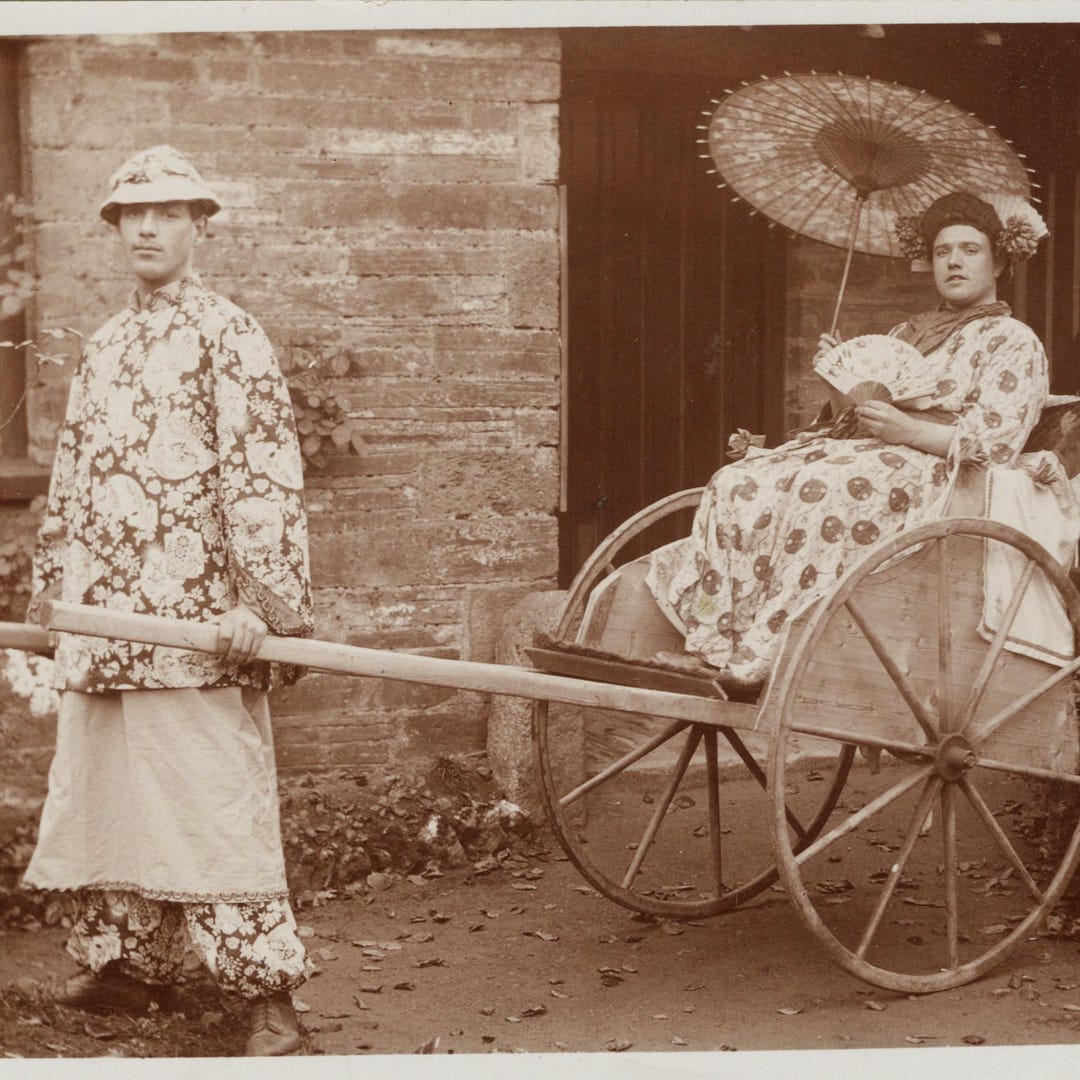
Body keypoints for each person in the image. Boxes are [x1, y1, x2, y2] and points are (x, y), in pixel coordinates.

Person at [21, 145, 315, 1057]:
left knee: (211, 805)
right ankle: (129, 969)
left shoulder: (231, 336)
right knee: (109, 799)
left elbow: (263, 474)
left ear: (198, 225)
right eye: (131, 214)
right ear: (115, 228)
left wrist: (263, 610)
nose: (146, 227)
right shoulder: (104, 346)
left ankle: (268, 998)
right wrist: (54, 590)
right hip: (106, 624)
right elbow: (71, 478)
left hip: (195, 624)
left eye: (167, 212)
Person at [646, 189, 1050, 688]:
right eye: (943, 251)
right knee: (738, 481)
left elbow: (1000, 441)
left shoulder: (1013, 340)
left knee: (820, 489)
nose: (954, 262)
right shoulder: (908, 332)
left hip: (940, 474)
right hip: (867, 452)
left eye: (970, 250)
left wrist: (910, 430)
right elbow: (856, 415)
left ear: (999, 262)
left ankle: (769, 652)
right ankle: (716, 642)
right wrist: (842, 382)